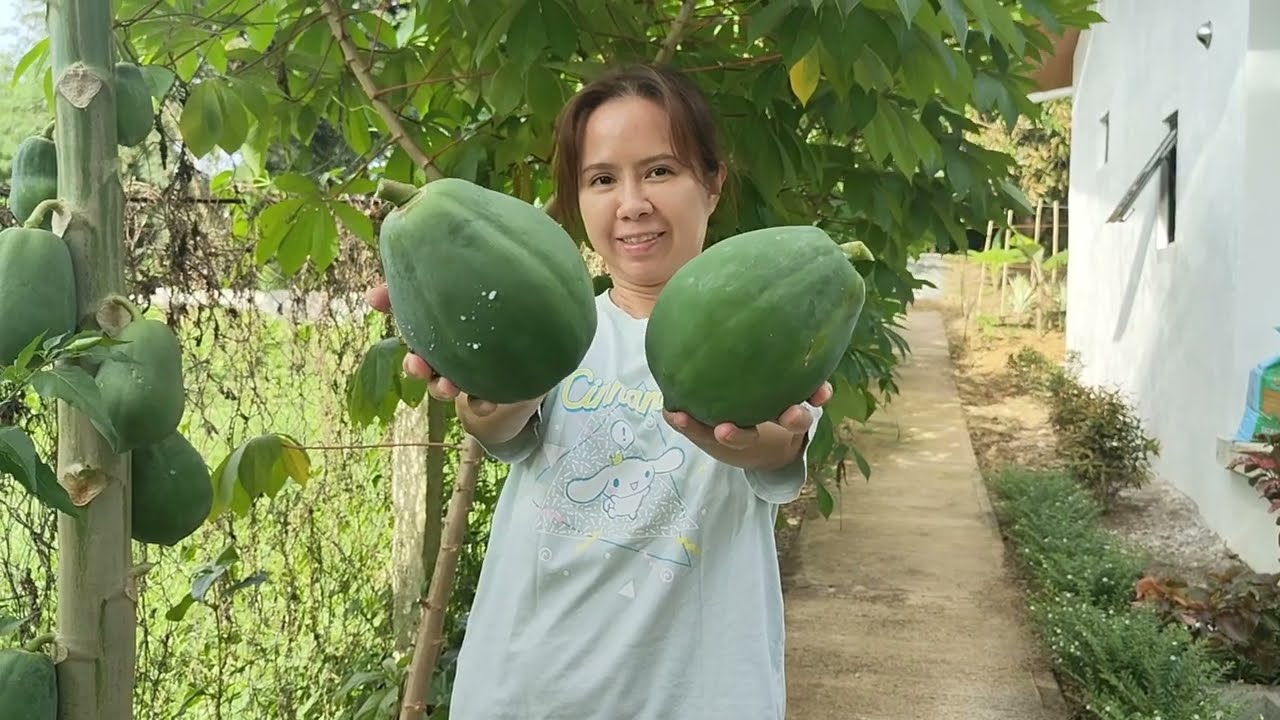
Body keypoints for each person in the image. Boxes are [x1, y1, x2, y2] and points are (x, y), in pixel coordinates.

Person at [366, 62, 832, 720]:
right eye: (602, 179)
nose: (632, 202)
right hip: (528, 695)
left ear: (713, 181)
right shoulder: (558, 328)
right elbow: (499, 423)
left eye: (660, 171)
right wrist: (483, 376)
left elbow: (782, 450)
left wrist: (757, 444)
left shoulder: (767, 330)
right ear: (576, 200)